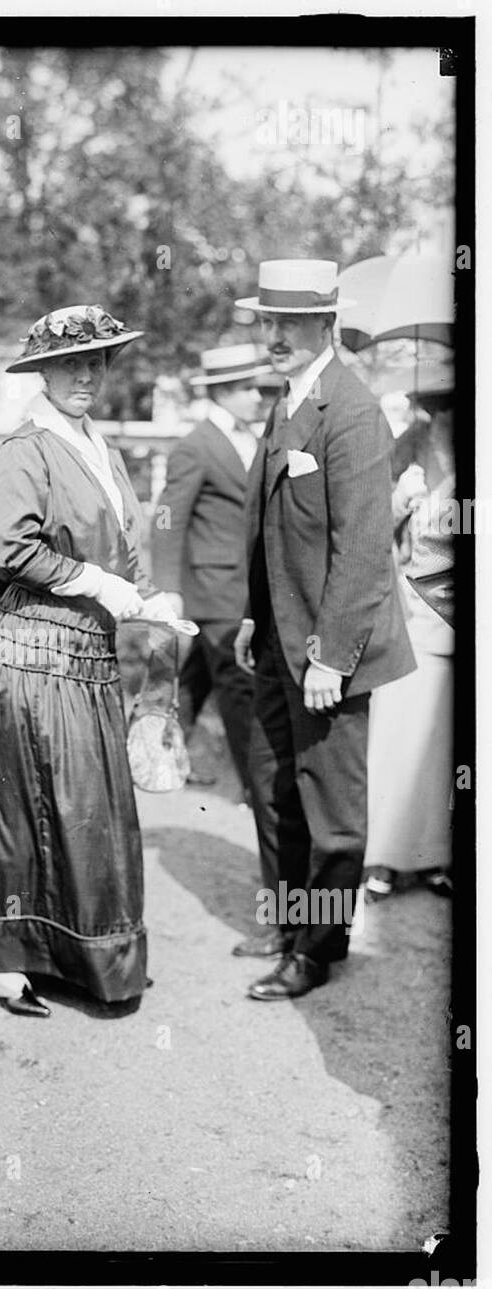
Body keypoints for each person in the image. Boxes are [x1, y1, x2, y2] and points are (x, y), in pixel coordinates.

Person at [0, 305, 184, 1016]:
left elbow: (124, 548)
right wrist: (102, 585)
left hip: (86, 656)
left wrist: (147, 598)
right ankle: (0, 965)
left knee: (84, 812)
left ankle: (78, 959)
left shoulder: (99, 448)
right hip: (29, 655)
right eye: (68, 363)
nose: (85, 374)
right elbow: (13, 550)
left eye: (96, 361)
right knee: (17, 812)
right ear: (43, 372)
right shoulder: (24, 449)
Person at [231, 260, 416, 999]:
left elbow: (363, 551)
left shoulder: (352, 411)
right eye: (267, 321)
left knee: (332, 814)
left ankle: (318, 950)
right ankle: (287, 922)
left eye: (290, 323)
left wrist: (331, 658)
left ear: (325, 324)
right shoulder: (288, 401)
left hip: (328, 651)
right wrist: (253, 616)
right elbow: (268, 528)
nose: (274, 336)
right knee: (274, 787)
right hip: (277, 639)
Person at [152, 344, 271, 799]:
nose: (257, 397)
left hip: (244, 585)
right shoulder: (196, 446)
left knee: (197, 679)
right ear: (222, 392)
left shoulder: (253, 438)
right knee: (239, 686)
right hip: (215, 587)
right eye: (247, 388)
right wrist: (168, 586)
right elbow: (167, 517)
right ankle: (257, 790)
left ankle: (155, 755)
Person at [364, 362, 455, 899]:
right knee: (398, 740)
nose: (439, 417)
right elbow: (370, 524)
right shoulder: (408, 453)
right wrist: (401, 504)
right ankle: (384, 857)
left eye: (447, 406)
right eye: (433, 406)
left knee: (441, 750)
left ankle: (433, 856)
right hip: (411, 618)